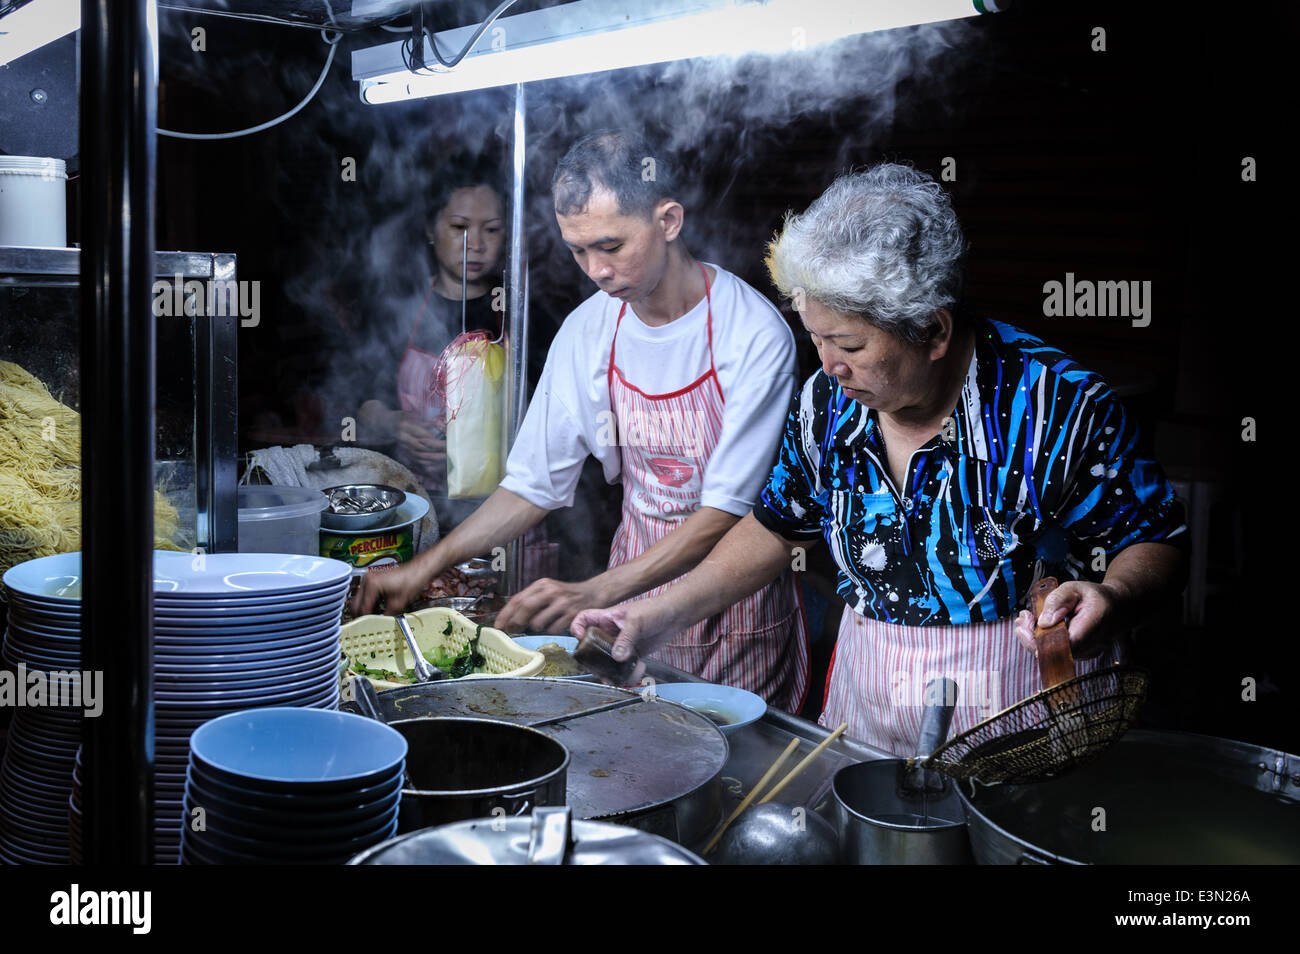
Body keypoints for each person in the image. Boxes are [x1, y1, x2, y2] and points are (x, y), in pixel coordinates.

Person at [572, 163, 1188, 754]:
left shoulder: (1059, 405)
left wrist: (1115, 597)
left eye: (850, 344)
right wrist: (653, 617)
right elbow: (776, 526)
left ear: (934, 332)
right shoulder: (826, 404)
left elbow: (1157, 539)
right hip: (867, 691)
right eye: (815, 336)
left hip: (1017, 698)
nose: (828, 365)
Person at [353, 131, 811, 711]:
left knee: (727, 774)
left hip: (734, 601)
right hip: (625, 590)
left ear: (668, 220)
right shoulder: (591, 327)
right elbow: (532, 483)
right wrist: (423, 568)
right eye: (577, 250)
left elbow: (725, 513)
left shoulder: (753, 333)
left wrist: (595, 589)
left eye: (611, 245)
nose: (595, 269)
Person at [356, 152, 505, 504]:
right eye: (459, 227)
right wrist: (396, 423)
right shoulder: (401, 308)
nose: (476, 244)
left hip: (500, 508)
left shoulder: (520, 315)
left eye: (492, 229)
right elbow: (361, 401)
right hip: (413, 497)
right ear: (430, 228)